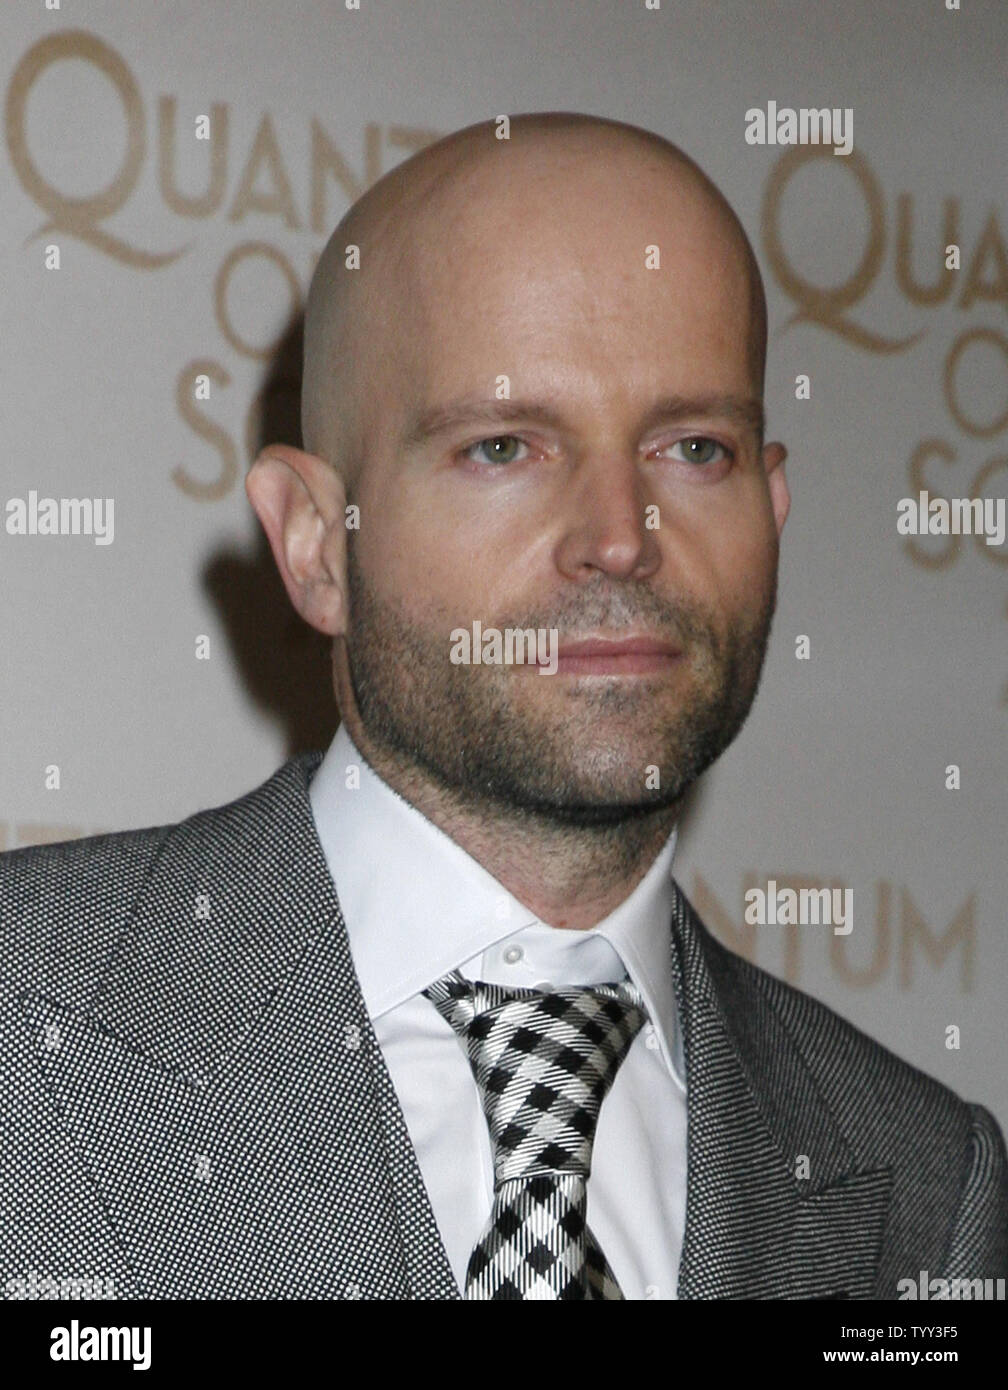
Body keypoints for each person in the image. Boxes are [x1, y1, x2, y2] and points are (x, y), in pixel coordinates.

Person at [1, 112, 1004, 1302]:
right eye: (502, 448)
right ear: (318, 545)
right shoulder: (28, 1014)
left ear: (773, 507)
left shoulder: (929, 1185)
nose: (621, 538)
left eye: (692, 448)